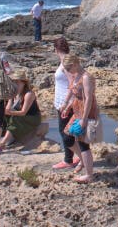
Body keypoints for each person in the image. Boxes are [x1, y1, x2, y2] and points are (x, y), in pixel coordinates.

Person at [61, 54, 98, 184]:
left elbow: (88, 98)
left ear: (75, 64)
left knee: (83, 143)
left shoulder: (86, 77)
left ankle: (89, 175)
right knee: (67, 137)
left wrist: (84, 118)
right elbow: (73, 93)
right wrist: (67, 106)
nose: (68, 71)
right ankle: (83, 161)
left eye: (69, 68)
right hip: (76, 111)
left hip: (85, 113)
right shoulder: (76, 75)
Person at [51, 37, 79, 169]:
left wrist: (67, 104)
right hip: (63, 102)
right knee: (68, 132)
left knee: (65, 133)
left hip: (66, 103)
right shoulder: (65, 61)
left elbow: (72, 84)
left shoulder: (65, 63)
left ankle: (71, 159)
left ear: (55, 49)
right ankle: (73, 157)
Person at [0, 70, 41, 150]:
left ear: (24, 83)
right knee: (2, 116)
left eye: (17, 82)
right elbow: (8, 108)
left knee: (15, 118)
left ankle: (2, 143)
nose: (15, 84)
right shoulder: (13, 93)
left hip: (32, 117)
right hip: (19, 115)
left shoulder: (28, 94)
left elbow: (23, 112)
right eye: (13, 82)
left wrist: (9, 112)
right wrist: (7, 108)